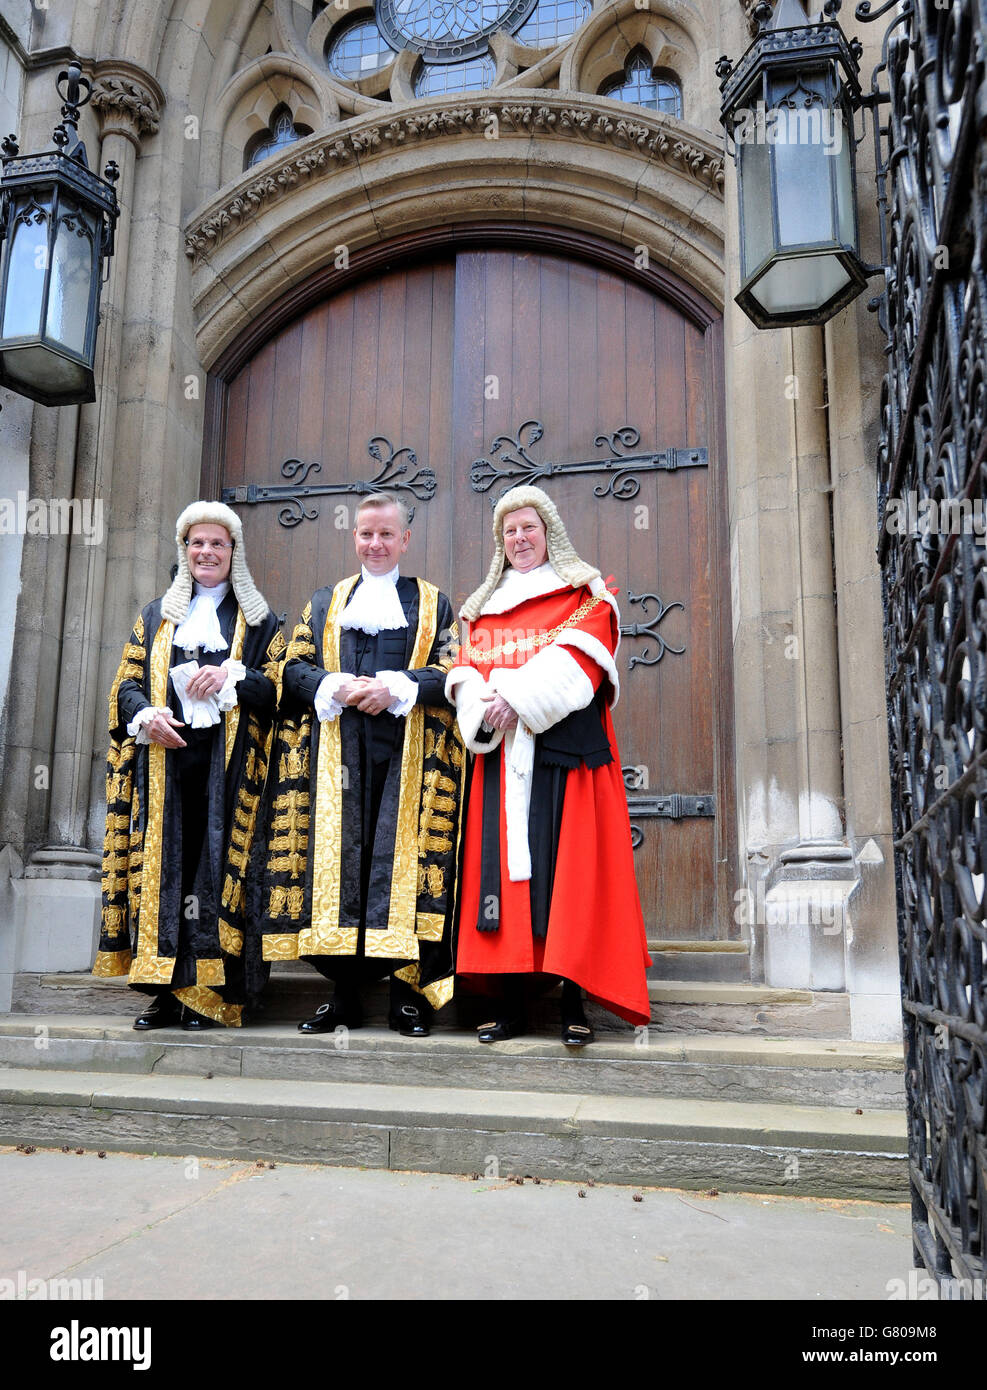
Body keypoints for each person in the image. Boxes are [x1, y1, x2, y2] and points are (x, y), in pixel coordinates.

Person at [445, 485, 652, 1045]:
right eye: (510, 531)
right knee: (505, 884)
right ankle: (510, 1004)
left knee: (567, 877)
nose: (520, 539)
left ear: (548, 533)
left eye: (529, 528)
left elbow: (580, 661)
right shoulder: (483, 607)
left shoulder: (585, 594)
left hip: (565, 757)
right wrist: (484, 709)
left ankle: (573, 1003)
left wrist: (518, 699)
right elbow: (465, 672)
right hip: (502, 756)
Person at [257, 492, 464, 1037]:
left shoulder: (434, 603)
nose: (375, 543)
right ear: (354, 537)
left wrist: (398, 686)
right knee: (343, 868)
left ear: (405, 540)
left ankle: (407, 998)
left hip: (408, 759)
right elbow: (290, 668)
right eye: (366, 534)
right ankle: (343, 996)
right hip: (338, 759)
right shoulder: (324, 601)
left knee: (399, 872)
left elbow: (455, 671)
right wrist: (332, 685)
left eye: (386, 534)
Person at [93, 501, 284, 1030]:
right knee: (166, 869)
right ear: (185, 549)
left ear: (233, 551)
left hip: (230, 770)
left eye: (217, 543)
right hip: (166, 765)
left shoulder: (260, 620)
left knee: (215, 871)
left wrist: (232, 677)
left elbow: (278, 691)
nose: (206, 552)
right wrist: (146, 716)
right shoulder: (155, 615)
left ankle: (208, 994)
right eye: (197, 542)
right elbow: (126, 684)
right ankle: (163, 989)